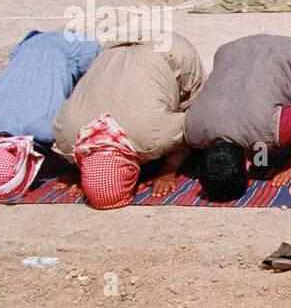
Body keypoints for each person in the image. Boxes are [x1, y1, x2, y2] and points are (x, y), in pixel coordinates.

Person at [51, 35, 205, 209]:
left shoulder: (153, 139)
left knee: (197, 106)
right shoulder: (66, 140)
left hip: (171, 49)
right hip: (115, 46)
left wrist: (168, 171)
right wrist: (83, 173)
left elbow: (190, 123)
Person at [0, 30, 102, 202]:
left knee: (86, 92)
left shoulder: (44, 129)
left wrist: (78, 172)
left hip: (78, 49)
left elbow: (90, 132)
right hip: (28, 45)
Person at [183, 34, 291, 202]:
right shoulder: (192, 131)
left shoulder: (272, 128)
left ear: (247, 165)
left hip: (289, 50)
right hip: (231, 50)